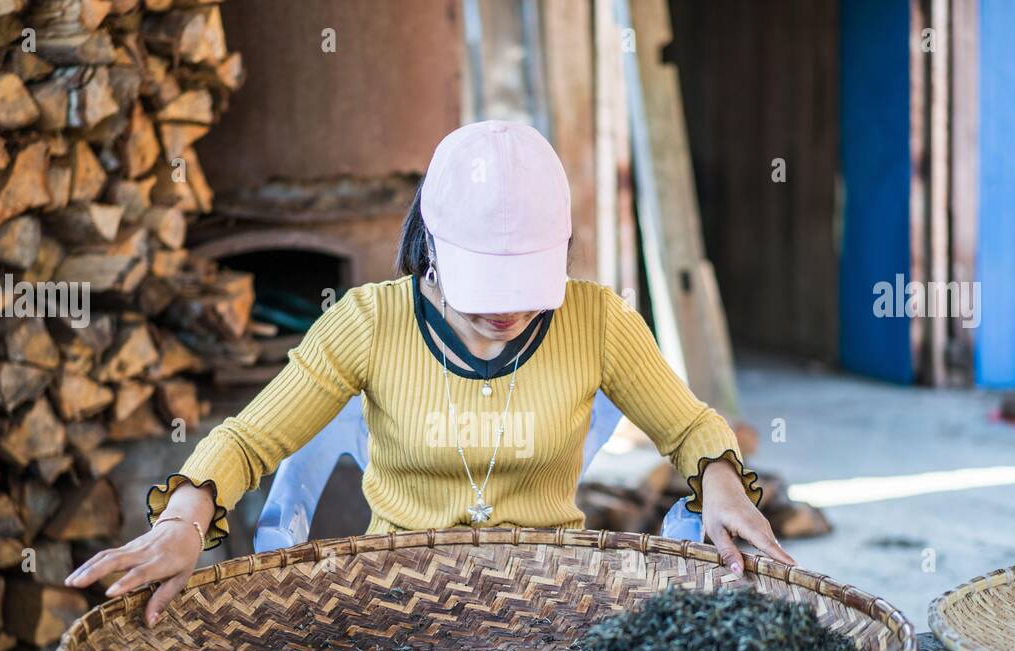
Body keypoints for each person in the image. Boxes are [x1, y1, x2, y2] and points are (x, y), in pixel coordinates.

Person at [66, 121, 793, 625]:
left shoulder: (595, 319)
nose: (505, 313)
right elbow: (252, 437)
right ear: (432, 244)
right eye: (486, 287)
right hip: (400, 601)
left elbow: (691, 424)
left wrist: (723, 482)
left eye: (525, 286)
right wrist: (187, 520)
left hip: (553, 596)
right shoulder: (369, 322)